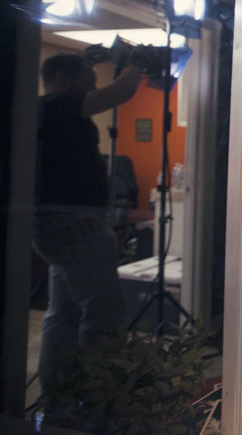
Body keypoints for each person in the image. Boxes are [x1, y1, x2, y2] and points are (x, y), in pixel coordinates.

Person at [33, 52, 143, 397]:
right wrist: (139, 63)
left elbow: (95, 86)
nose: (93, 87)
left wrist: (90, 60)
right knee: (104, 318)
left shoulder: (44, 110)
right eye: (88, 81)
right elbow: (120, 93)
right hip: (75, 224)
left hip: (57, 223)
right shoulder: (56, 105)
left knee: (62, 315)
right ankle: (100, 400)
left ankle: (58, 398)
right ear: (64, 80)